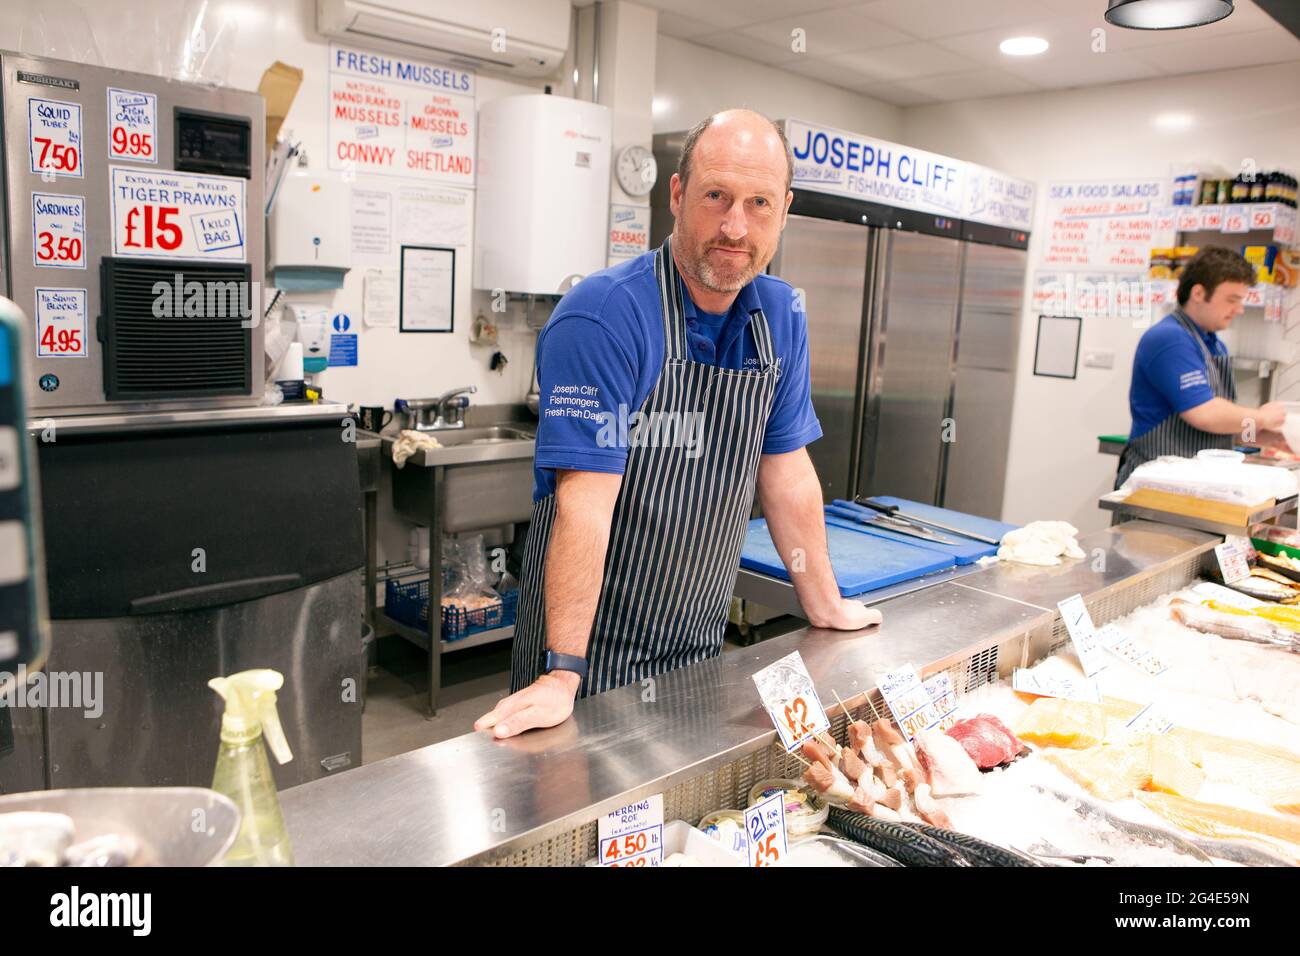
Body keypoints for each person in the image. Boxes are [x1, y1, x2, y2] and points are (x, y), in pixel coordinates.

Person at [475, 109, 880, 740]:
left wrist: (823, 604)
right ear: (678, 195)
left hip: (697, 641)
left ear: (784, 210)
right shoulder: (606, 314)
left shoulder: (781, 315)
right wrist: (560, 674)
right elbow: (585, 503)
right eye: (717, 196)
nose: (735, 226)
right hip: (590, 652)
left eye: (759, 203)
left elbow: (787, 471)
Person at [1117, 246, 1286, 487]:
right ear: (1198, 293)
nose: (1239, 310)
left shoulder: (1214, 346)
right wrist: (1261, 417)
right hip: (1157, 486)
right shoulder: (1170, 339)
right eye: (1232, 300)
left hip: (1194, 484)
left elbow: (1225, 427)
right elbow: (1204, 414)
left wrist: (1266, 438)